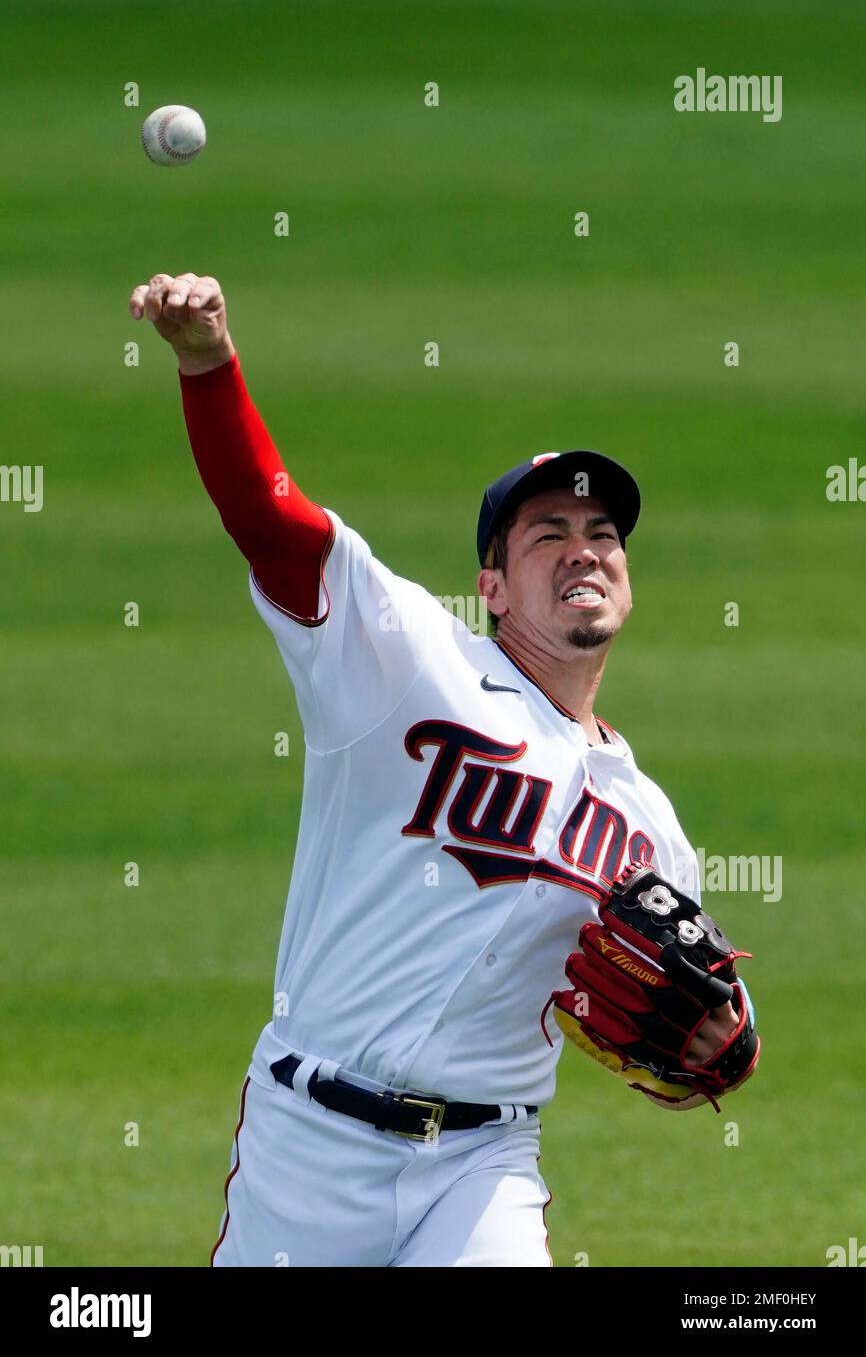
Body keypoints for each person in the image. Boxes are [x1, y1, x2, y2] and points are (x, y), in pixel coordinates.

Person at [129, 272, 747, 1268]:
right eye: (548, 533)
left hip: (482, 1165)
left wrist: (722, 1034)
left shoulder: (650, 826)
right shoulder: (413, 657)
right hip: (308, 1143)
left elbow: (655, 1007)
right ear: (491, 585)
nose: (583, 549)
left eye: (602, 535)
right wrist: (207, 362)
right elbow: (274, 524)